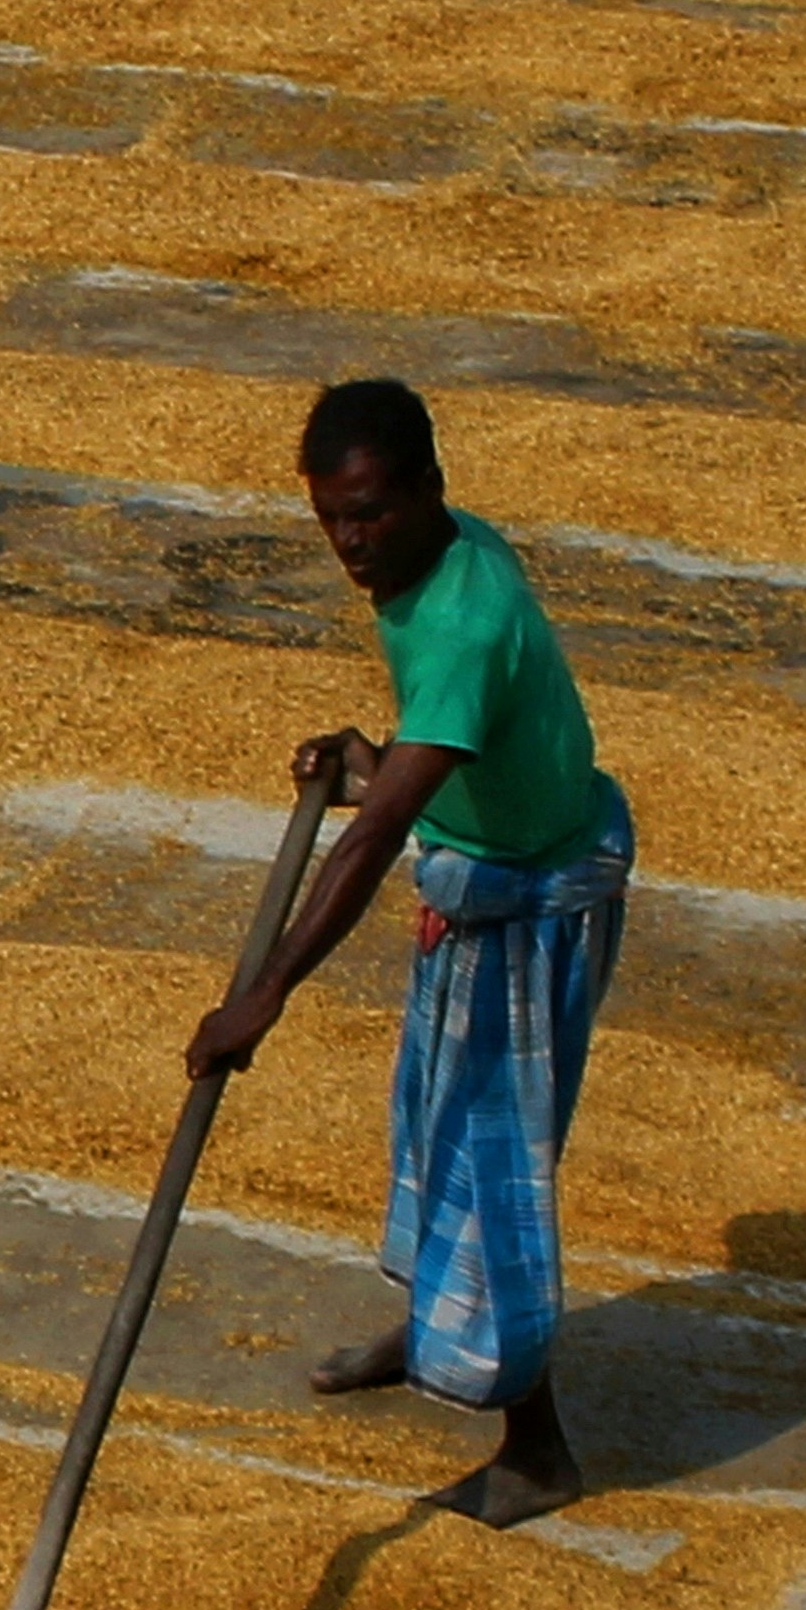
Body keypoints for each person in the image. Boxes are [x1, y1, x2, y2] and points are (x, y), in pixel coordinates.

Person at [186, 375, 630, 1528]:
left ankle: (537, 1450)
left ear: (432, 492)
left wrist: (264, 996)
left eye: (371, 514)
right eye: (332, 518)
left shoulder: (466, 619)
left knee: (490, 1158)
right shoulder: (432, 567)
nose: (350, 543)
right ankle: (436, 1327)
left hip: (532, 910)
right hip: (485, 875)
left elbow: (382, 833)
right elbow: (448, 758)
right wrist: (377, 754)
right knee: (428, 1123)